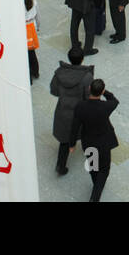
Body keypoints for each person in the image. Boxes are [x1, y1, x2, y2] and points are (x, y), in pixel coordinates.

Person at [70, 80, 119, 202]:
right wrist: (105, 92)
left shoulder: (80, 106)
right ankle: (95, 196)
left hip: (89, 142)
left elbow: (74, 127)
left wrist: (72, 144)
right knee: (104, 168)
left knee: (93, 167)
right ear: (101, 91)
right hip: (103, 143)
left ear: (89, 89)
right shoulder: (105, 107)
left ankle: (96, 185)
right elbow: (114, 100)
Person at [50, 47, 93, 175]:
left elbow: (54, 91)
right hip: (80, 112)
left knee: (64, 141)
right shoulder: (86, 76)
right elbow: (88, 96)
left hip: (63, 112)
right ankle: (92, 162)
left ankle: (61, 165)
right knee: (87, 134)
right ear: (82, 59)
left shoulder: (59, 73)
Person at [22, 0, 41, 83]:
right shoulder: (33, 1)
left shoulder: (18, 5)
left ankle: (28, 77)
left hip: (22, 29)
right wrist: (38, 27)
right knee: (32, 52)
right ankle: (36, 71)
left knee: (25, 55)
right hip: (32, 28)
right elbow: (38, 16)